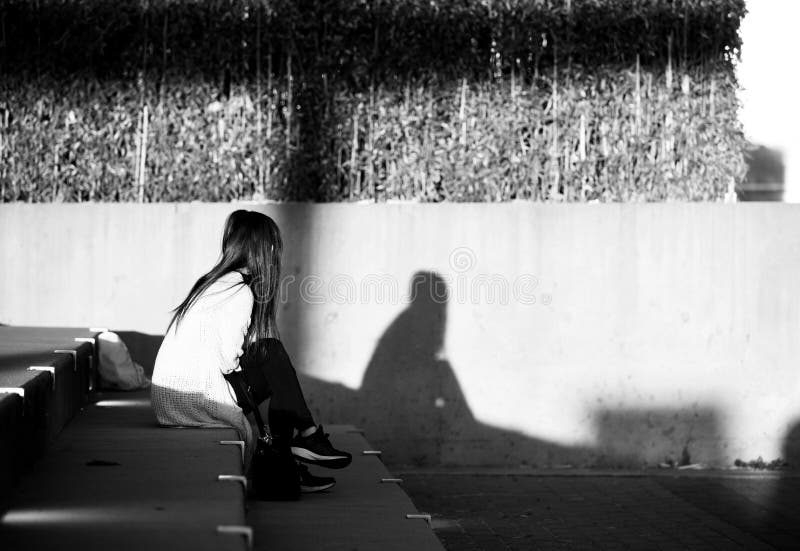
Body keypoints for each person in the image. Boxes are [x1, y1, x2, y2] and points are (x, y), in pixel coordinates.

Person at [151, 209, 351, 493]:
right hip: (194, 400)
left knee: (270, 359)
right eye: (272, 246)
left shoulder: (215, 283)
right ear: (262, 248)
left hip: (172, 397)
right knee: (272, 354)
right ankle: (304, 441)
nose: (275, 253)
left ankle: (290, 462)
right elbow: (226, 360)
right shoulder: (239, 293)